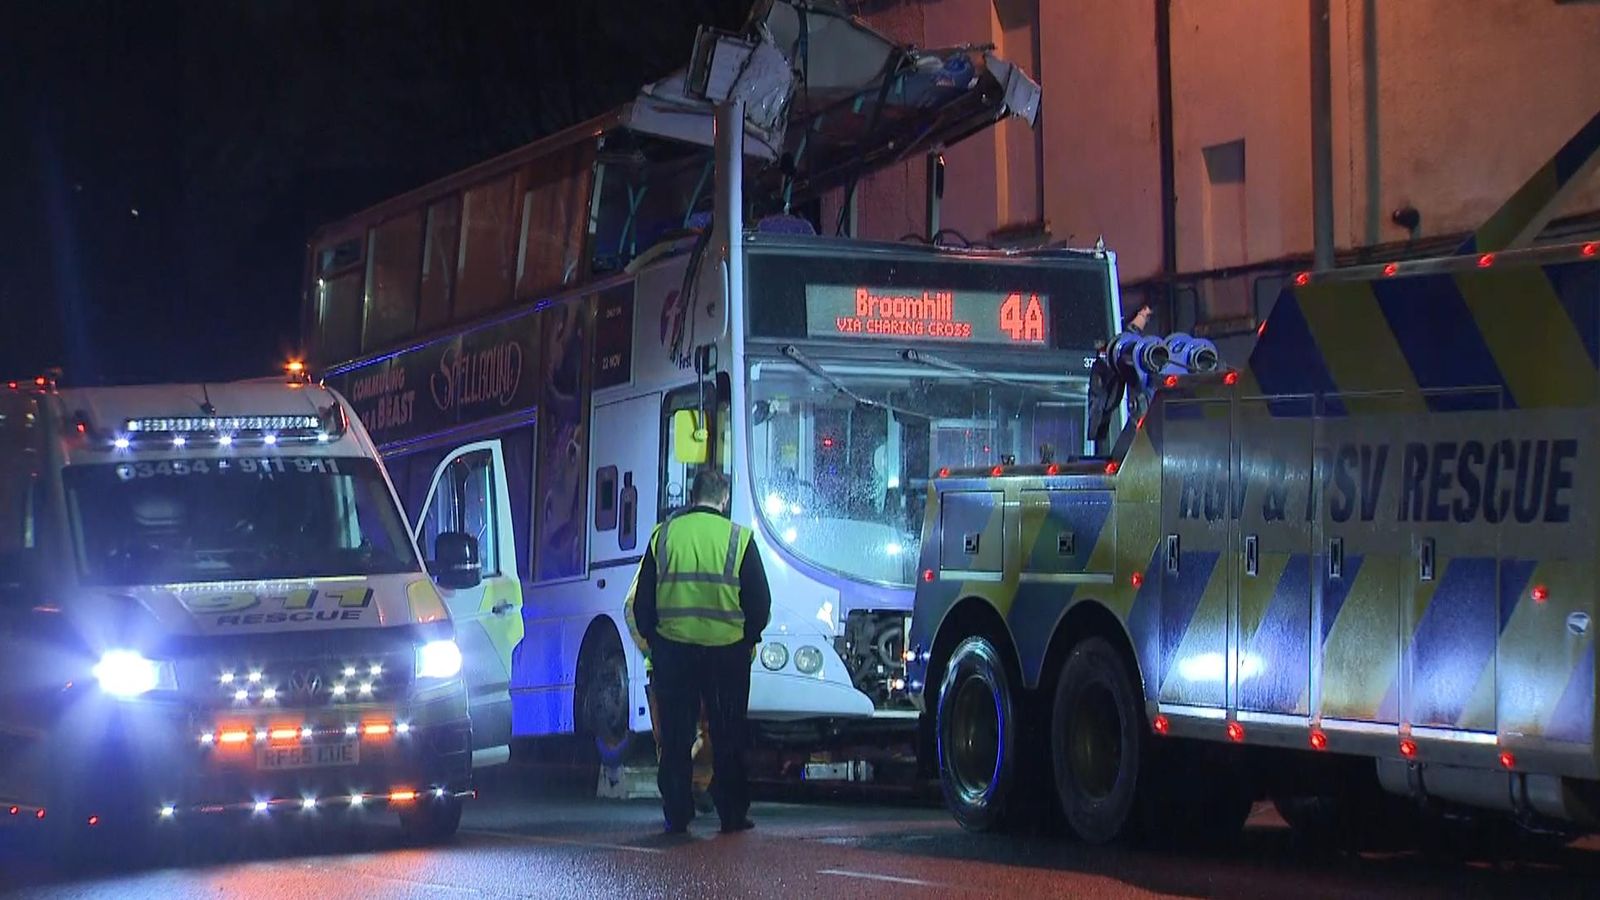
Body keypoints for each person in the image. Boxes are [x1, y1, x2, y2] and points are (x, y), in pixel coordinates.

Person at [632, 469, 771, 834]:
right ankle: (731, 812)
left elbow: (642, 602)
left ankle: (677, 812)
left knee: (677, 739)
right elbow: (760, 601)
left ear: (692, 497)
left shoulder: (663, 536)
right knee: (728, 735)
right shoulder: (738, 538)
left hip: (674, 653)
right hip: (726, 654)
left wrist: (656, 641)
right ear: (723, 500)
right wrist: (747, 639)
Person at [622, 568, 715, 814]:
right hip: (699, 658)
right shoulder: (673, 546)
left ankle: (685, 794)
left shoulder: (662, 546)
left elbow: (632, 609)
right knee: (688, 731)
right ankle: (687, 791)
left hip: (673, 661)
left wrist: (653, 650)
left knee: (680, 733)